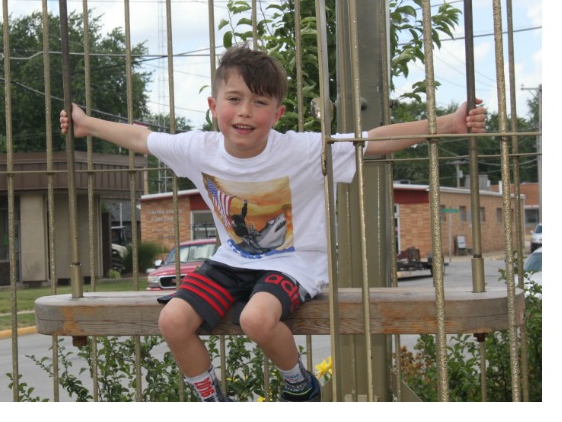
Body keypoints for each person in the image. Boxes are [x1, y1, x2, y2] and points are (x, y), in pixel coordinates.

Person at [59, 44, 485, 402]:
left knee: (257, 320)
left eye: (259, 102)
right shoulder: (195, 148)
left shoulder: (301, 150)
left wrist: (447, 123)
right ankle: (212, 398)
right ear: (213, 106)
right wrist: (84, 124)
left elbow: (371, 140)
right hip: (231, 260)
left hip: (294, 264)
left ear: (277, 113)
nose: (245, 112)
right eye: (234, 99)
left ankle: (299, 385)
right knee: (172, 321)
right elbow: (138, 138)